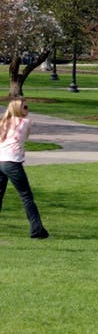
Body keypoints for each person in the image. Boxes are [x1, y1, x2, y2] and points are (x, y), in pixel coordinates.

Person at [0, 99, 49, 239]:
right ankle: (37, 230)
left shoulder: (3, 122)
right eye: (25, 107)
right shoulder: (26, 122)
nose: (28, 109)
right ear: (17, 109)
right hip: (12, 162)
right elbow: (25, 136)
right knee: (26, 196)